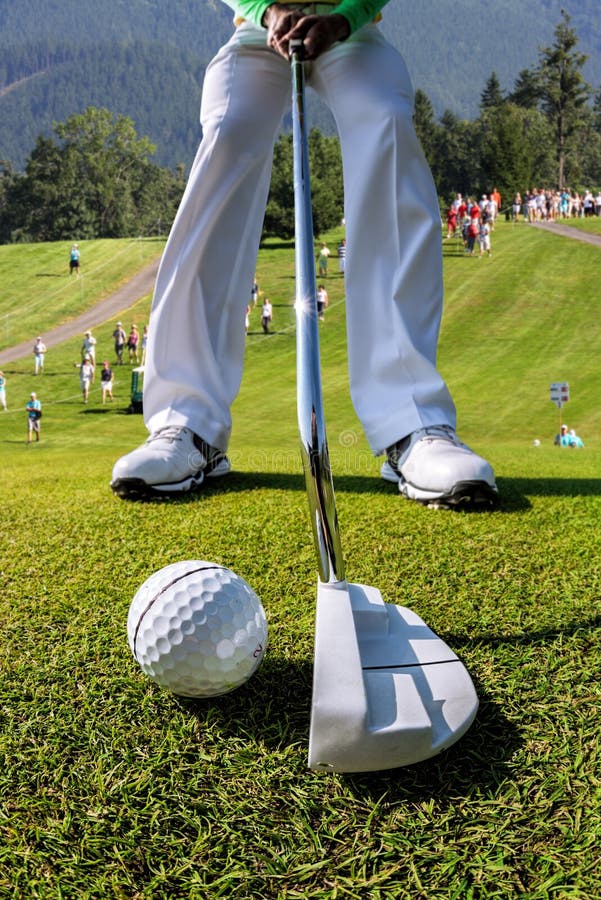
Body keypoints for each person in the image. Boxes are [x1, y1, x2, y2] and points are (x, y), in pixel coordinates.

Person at [111, 1, 497, 509]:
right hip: (259, 31)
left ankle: (411, 422)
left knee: (384, 118)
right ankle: (188, 422)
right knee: (229, 129)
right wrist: (265, 10)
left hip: (351, 25)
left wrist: (344, 18)